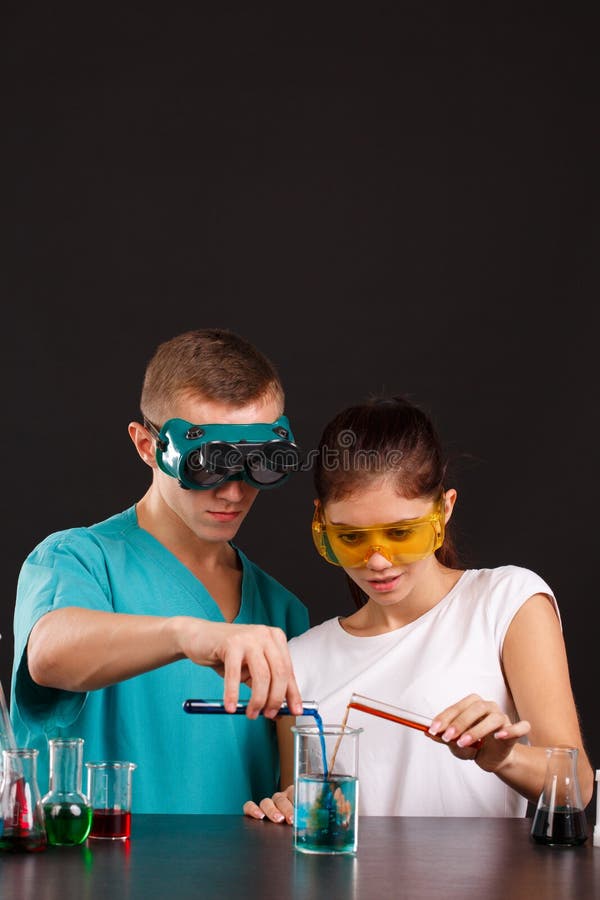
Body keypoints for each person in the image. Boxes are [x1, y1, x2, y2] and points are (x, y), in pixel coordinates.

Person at [244, 395, 593, 821]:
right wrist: (284, 810)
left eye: (401, 533)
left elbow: (576, 785)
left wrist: (504, 759)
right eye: (350, 538)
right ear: (321, 523)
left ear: (444, 509)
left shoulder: (507, 602)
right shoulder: (298, 661)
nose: (377, 561)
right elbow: (309, 813)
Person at [10, 328, 309, 813]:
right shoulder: (76, 560)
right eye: (208, 465)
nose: (233, 493)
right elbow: (49, 653)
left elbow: (295, 777)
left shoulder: (283, 612)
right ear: (147, 446)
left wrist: (296, 800)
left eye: (257, 464)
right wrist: (186, 635)